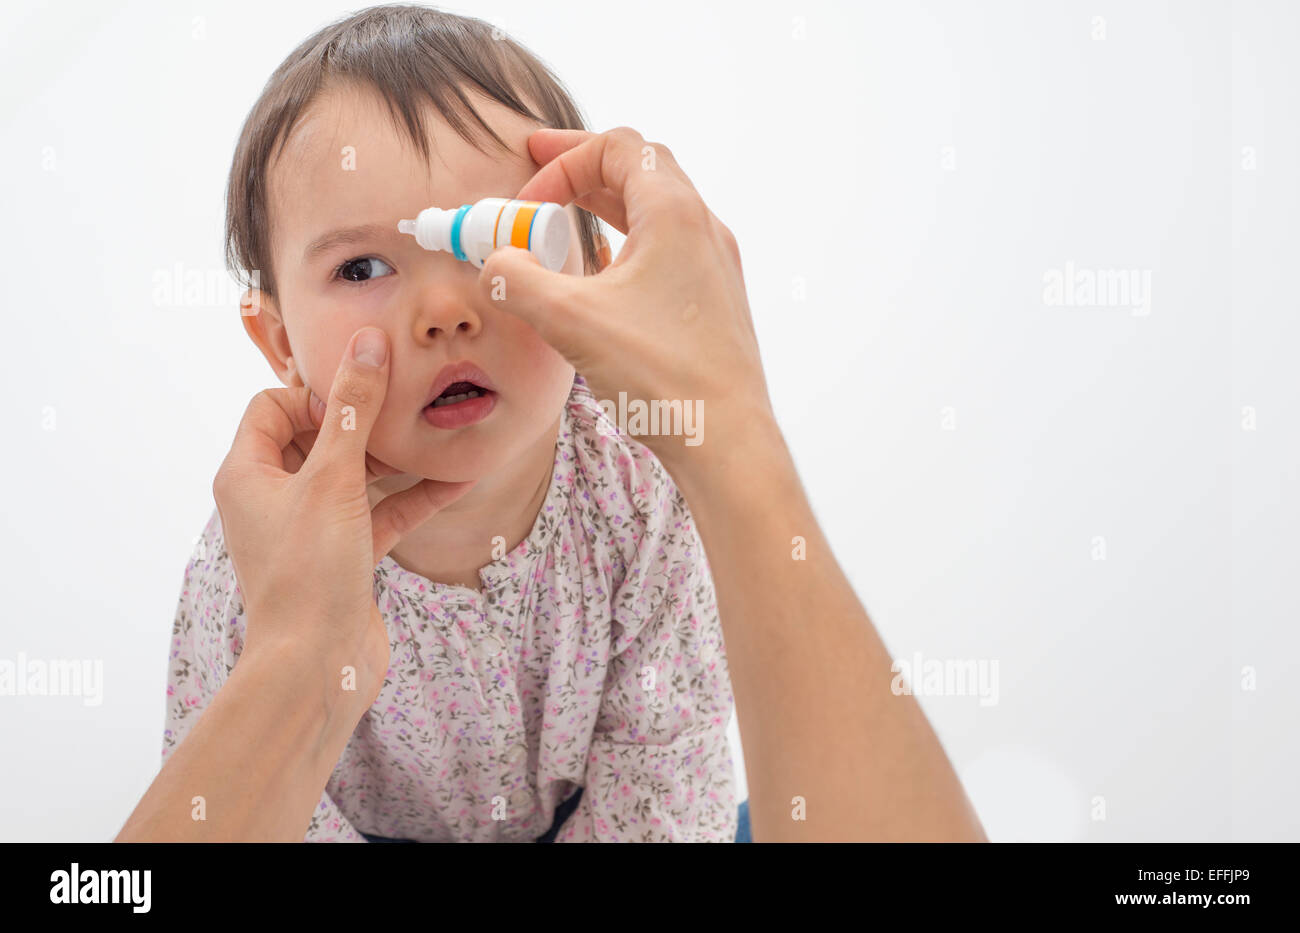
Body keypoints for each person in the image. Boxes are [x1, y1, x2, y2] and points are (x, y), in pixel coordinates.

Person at [115, 119, 986, 842]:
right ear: (278, 345)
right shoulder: (258, 549)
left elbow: (667, 760)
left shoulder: (639, 488)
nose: (448, 310)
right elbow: (250, 798)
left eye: (498, 237)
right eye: (363, 269)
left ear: (594, 277)